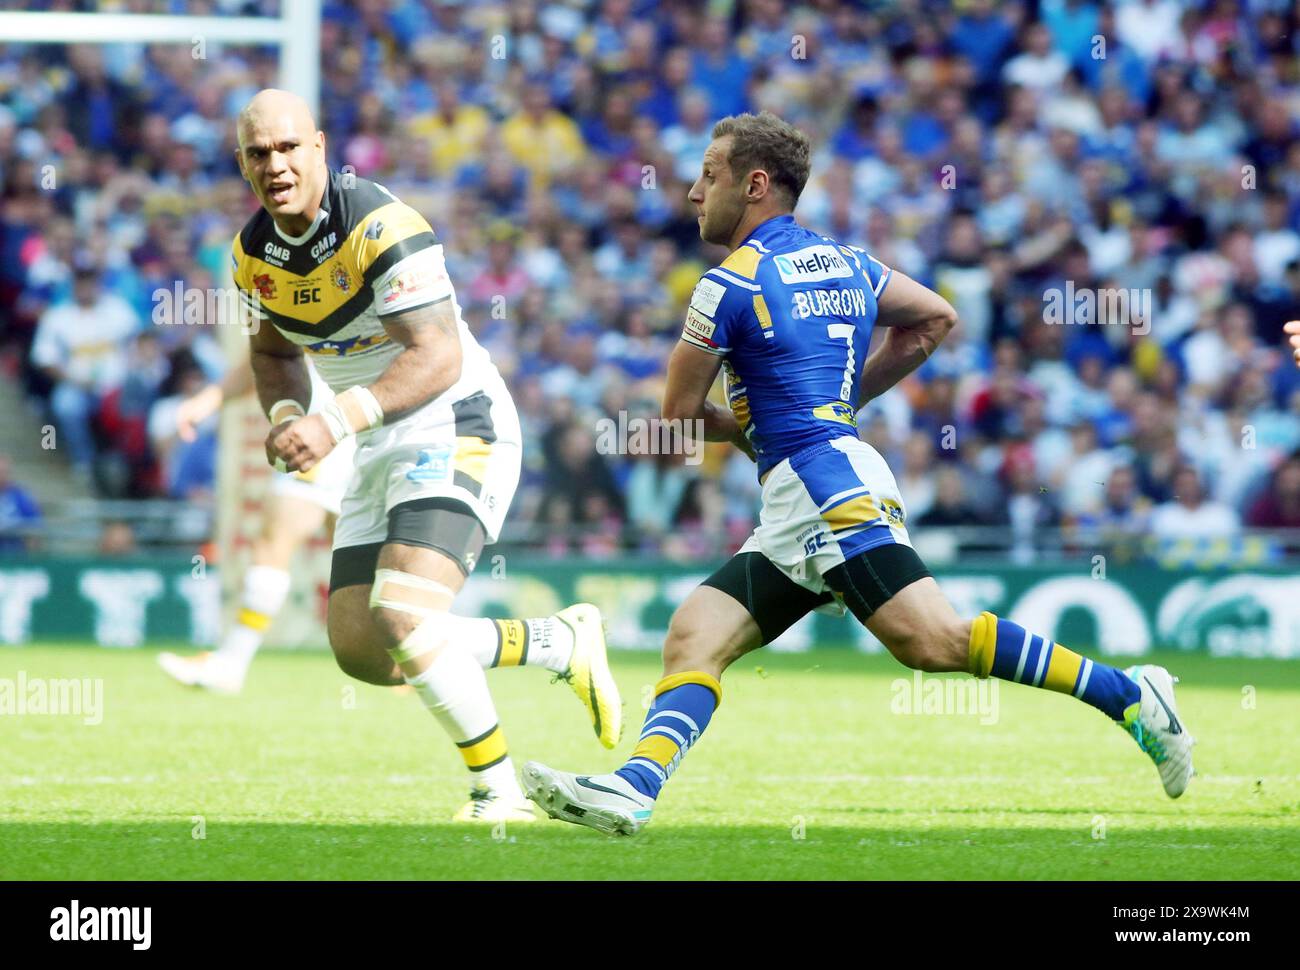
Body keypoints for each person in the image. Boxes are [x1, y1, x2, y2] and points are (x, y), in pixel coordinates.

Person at [523, 112, 1193, 836]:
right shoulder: (848, 262)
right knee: (696, 634)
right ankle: (635, 787)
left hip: (819, 484)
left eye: (707, 176)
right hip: (817, 480)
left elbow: (680, 413)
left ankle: (1130, 694)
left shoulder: (725, 285)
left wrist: (771, 420)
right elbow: (934, 317)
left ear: (754, 184)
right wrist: (837, 404)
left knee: (933, 641)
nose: (691, 193)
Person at [229, 89, 621, 822]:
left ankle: (496, 790)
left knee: (403, 611)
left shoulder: (382, 224)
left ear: (318, 146)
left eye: (288, 148)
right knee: (362, 649)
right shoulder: (252, 256)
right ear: (243, 165)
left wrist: (333, 421)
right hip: (377, 436)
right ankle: (553, 642)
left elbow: (436, 354)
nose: (276, 165)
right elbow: (272, 351)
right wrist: (287, 415)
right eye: (259, 154)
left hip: (455, 420)